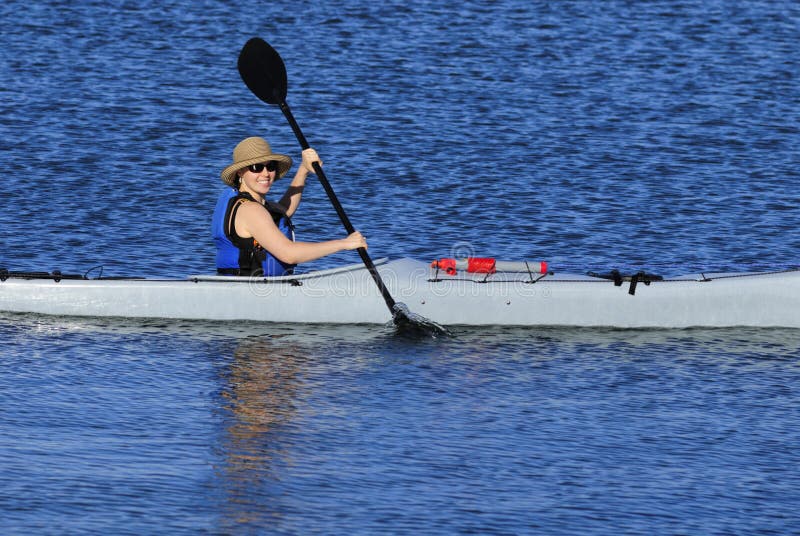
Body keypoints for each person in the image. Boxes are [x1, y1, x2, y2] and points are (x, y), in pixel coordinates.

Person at [212, 136, 366, 276]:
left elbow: (283, 211)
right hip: (253, 292)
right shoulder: (251, 210)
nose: (265, 174)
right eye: (256, 167)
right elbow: (289, 254)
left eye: (270, 166)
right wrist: (344, 244)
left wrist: (304, 169)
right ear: (240, 172)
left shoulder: (239, 201)